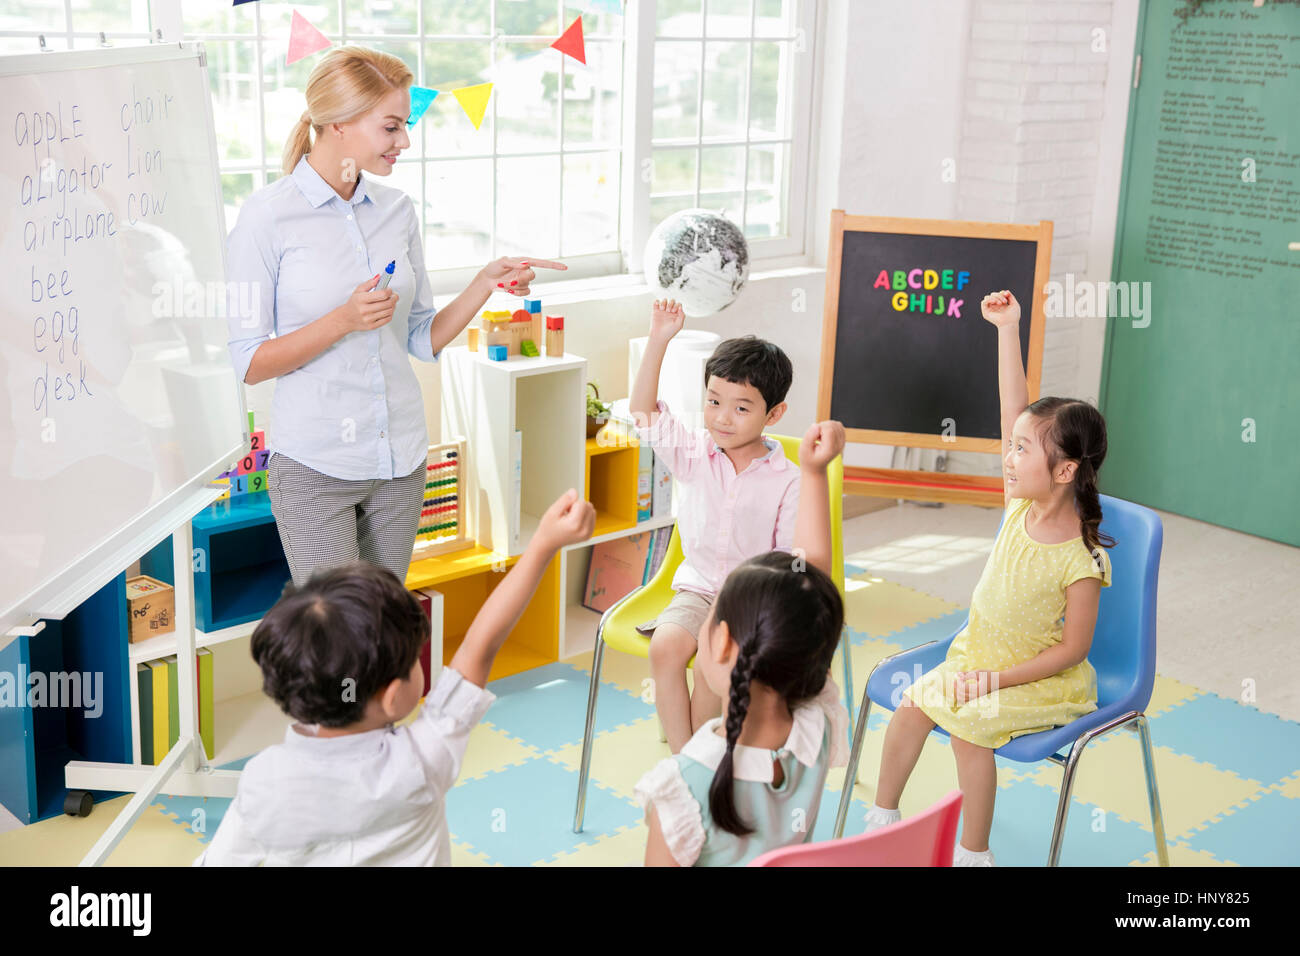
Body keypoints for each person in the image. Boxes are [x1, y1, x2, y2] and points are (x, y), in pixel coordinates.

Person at [225, 46, 564, 586]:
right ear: (337, 124)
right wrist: (342, 320)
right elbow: (247, 363)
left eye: (404, 125)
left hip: (399, 459)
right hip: (315, 464)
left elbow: (420, 337)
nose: (404, 141)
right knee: (338, 636)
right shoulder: (266, 217)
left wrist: (484, 283)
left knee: (385, 629)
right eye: (391, 127)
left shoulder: (396, 210)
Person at [195, 489, 596, 865]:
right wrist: (543, 544)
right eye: (413, 663)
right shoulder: (420, 762)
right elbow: (481, 647)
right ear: (391, 697)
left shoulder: (264, 780)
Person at [864, 289, 1114, 866]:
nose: (1009, 455)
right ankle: (883, 818)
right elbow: (1013, 407)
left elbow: (1075, 649)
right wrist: (1007, 328)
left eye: (1022, 450)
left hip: (1038, 678)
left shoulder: (1083, 557)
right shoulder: (1018, 507)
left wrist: (998, 681)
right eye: (1013, 445)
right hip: (976, 656)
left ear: (1064, 470)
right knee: (910, 709)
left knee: (968, 733)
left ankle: (974, 854)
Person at [634, 421, 849, 867]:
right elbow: (813, 580)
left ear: (723, 643)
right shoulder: (819, 727)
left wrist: (809, 474)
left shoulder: (680, 786)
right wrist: (814, 473)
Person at [630, 298, 801, 752]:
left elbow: (787, 562)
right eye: (714, 402)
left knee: (711, 665)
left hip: (751, 602)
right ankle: (685, 762)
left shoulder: (789, 480)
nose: (723, 417)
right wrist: (660, 338)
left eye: (742, 408)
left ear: (774, 414)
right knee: (664, 648)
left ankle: (699, 762)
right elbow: (643, 413)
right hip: (699, 589)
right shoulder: (694, 454)